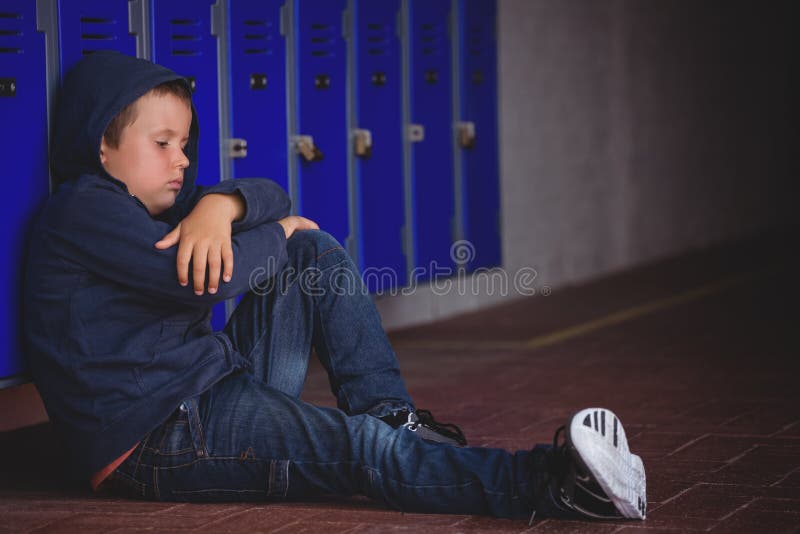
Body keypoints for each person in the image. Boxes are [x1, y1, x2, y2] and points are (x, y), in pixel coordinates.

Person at [23, 51, 646, 522]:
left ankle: (391, 413)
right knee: (361, 450)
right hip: (160, 438)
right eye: (162, 144)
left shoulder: (159, 206)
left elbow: (275, 197)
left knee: (313, 252)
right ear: (102, 144)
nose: (182, 159)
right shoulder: (83, 209)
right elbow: (203, 283)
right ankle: (554, 485)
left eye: (184, 144)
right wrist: (276, 231)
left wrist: (225, 206)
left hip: (208, 392)